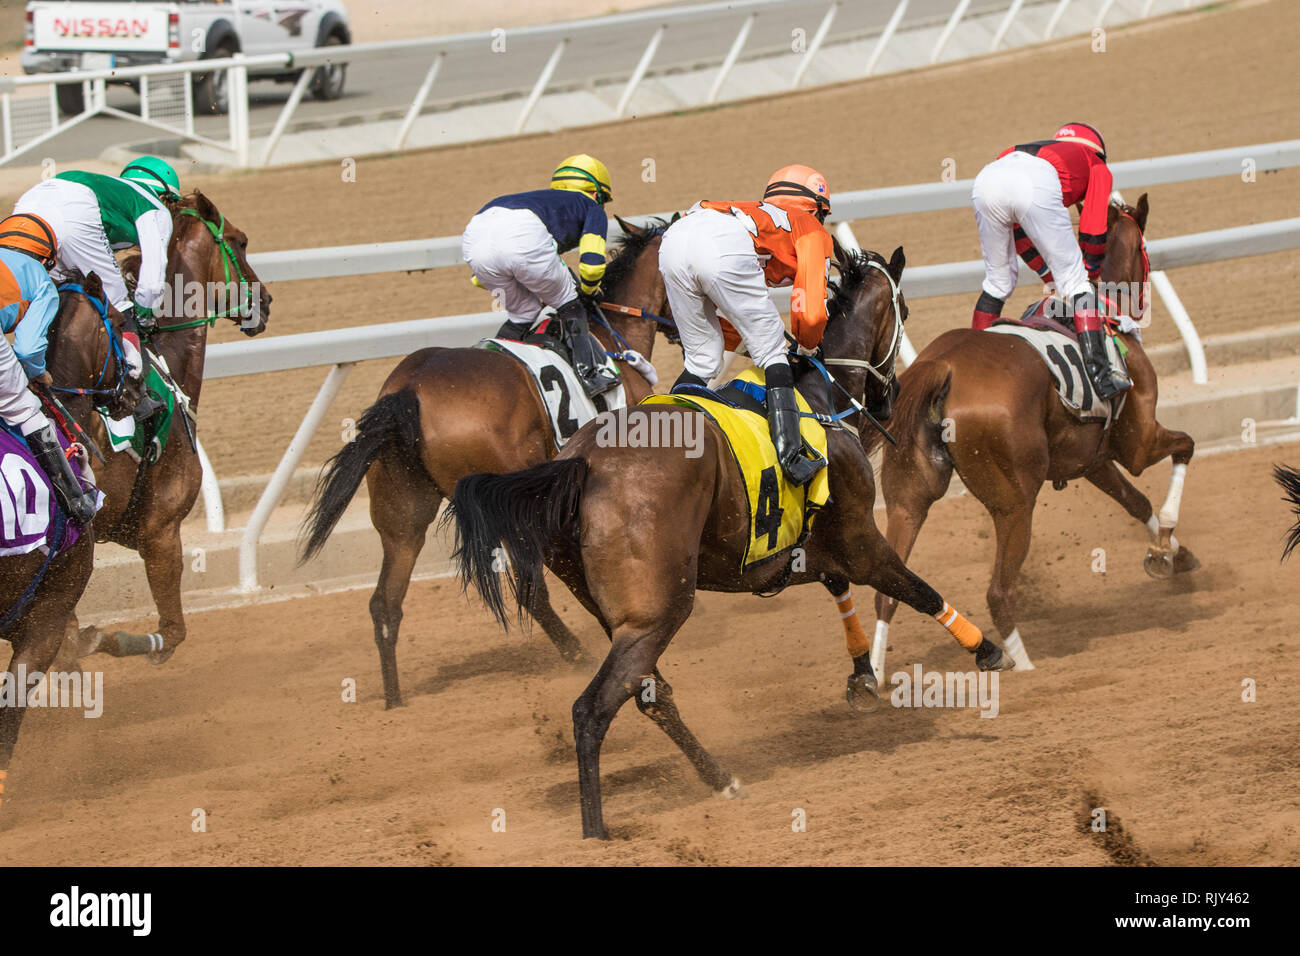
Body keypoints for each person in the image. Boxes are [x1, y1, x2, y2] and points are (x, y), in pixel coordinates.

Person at [658, 164, 834, 485]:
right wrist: (807, 345)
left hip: (675, 236)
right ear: (815, 208)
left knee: (702, 358)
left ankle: (668, 435)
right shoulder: (810, 227)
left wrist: (751, 340)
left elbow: (724, 323)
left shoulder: (756, 216)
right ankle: (791, 456)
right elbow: (810, 313)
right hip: (721, 245)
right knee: (772, 351)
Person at [969, 123, 1131, 398]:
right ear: (1098, 151)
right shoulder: (1097, 165)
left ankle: (975, 366)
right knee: (1076, 282)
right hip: (1033, 184)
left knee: (998, 282)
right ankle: (1100, 376)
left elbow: (1020, 233)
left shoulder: (1037, 151)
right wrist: (1088, 270)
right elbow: (1093, 224)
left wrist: (1047, 274)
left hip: (986, 179)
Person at [462, 154, 619, 397]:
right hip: (524, 238)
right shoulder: (590, 206)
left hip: (476, 233)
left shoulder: (540, 200)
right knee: (569, 302)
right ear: (597, 193)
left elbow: (478, 278)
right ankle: (589, 375)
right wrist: (586, 293)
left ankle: (487, 363)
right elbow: (592, 265)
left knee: (523, 312)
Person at [0, 214, 97, 524]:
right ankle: (75, 501)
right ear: (46, 258)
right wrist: (38, 373)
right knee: (24, 410)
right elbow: (28, 349)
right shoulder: (41, 280)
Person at [13, 156, 180, 327]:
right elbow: (153, 277)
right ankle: (132, 353)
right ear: (166, 197)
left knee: (41, 303)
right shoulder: (155, 204)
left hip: (26, 206)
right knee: (118, 307)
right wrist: (145, 315)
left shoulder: (114, 192)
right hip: (74, 210)